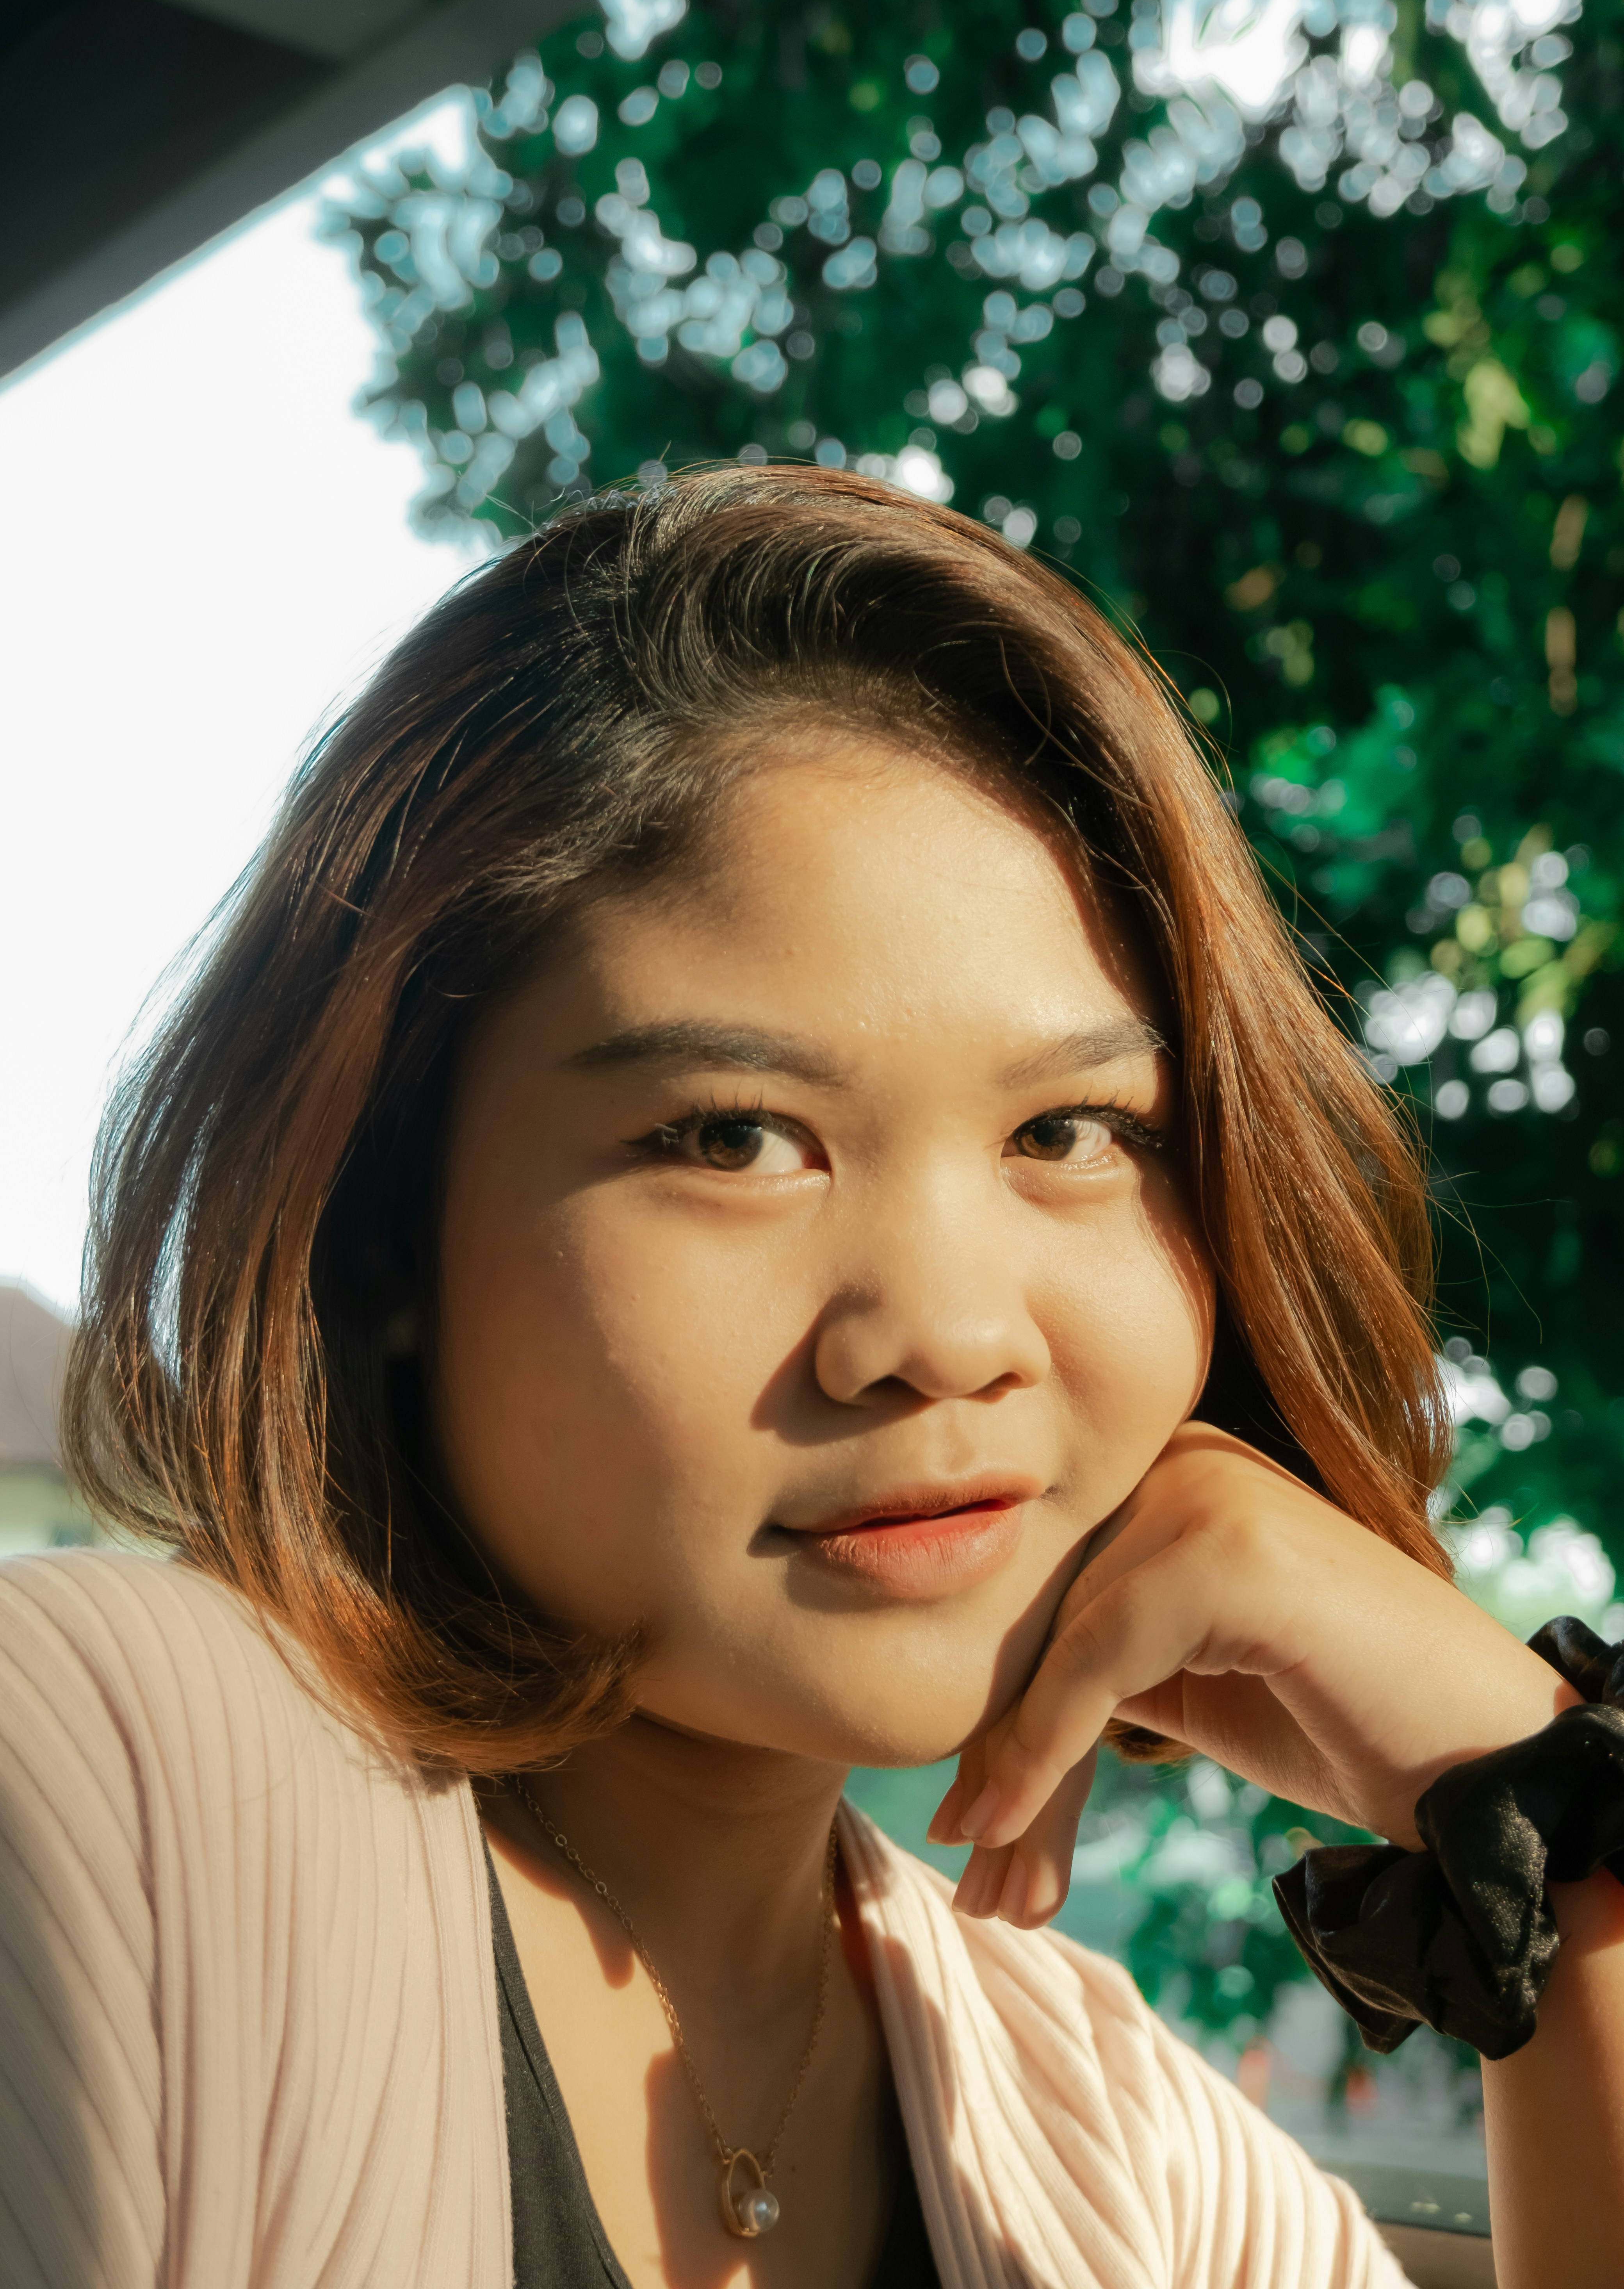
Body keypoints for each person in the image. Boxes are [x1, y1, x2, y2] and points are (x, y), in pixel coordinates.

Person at [2, 468, 1619, 2289]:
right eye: (731, 1134)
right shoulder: (99, 1789)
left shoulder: (1130, 2155)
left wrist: (1530, 1799)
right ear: (380, 1232)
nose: (943, 1331)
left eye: (1072, 1130)